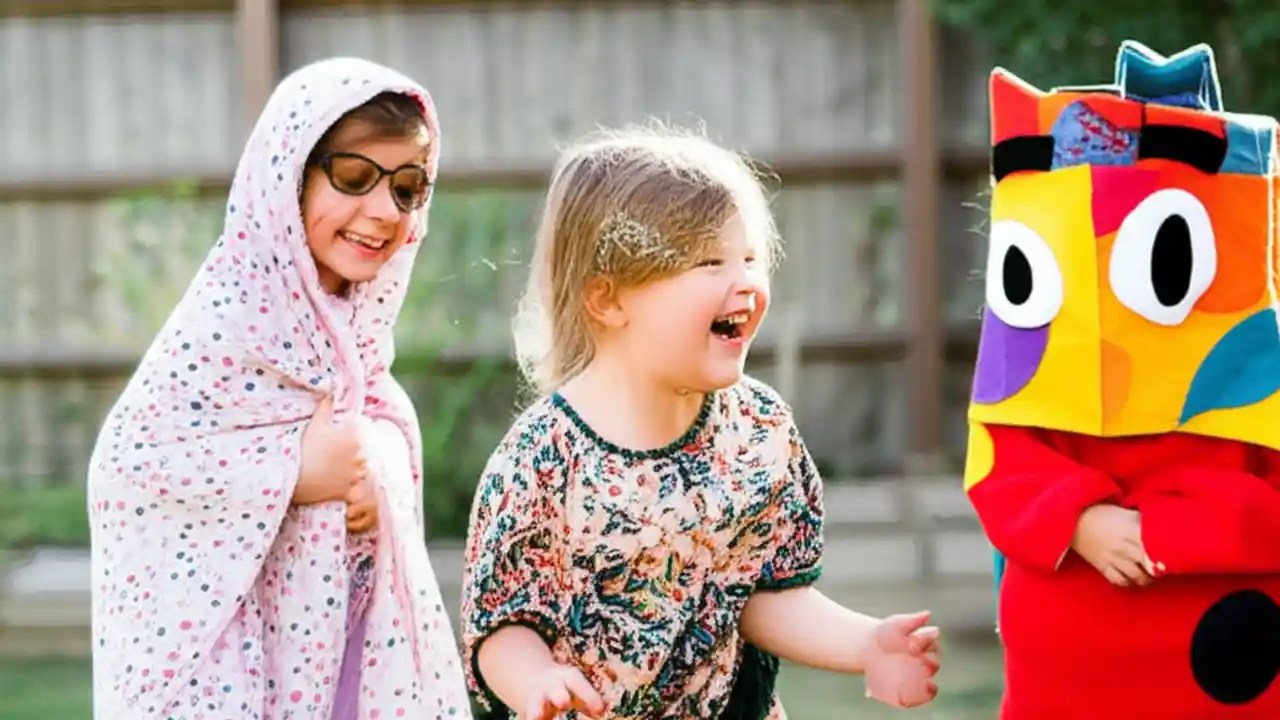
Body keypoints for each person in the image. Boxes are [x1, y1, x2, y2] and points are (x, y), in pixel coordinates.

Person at [458, 123, 941, 719]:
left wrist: (864, 645)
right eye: (711, 262)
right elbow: (503, 623)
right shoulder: (544, 456)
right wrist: (536, 680)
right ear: (608, 299)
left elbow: (760, 595)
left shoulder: (757, 431)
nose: (746, 283)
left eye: (750, 259)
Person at [86, 57, 470, 719]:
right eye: (355, 178)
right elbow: (131, 471)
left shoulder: (358, 337)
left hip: (343, 665)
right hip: (244, 684)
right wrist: (293, 471)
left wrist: (373, 470)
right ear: (288, 180)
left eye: (408, 189)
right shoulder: (229, 323)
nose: (385, 211)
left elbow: (376, 438)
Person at [967, 40, 1280, 718]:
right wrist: (1078, 519)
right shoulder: (1034, 378)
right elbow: (1000, 473)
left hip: (1219, 667)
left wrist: (1171, 526)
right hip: (1071, 674)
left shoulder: (1252, 381)